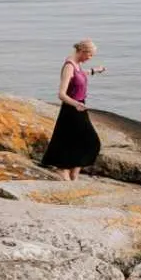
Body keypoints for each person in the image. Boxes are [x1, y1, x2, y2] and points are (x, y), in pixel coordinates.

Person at [41, 39, 105, 180]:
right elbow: (61, 94)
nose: (90, 58)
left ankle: (74, 172)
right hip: (72, 108)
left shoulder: (77, 64)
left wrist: (95, 70)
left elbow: (80, 75)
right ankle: (63, 170)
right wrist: (76, 104)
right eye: (90, 55)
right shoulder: (69, 66)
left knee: (80, 140)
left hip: (79, 107)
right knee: (89, 141)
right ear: (82, 51)